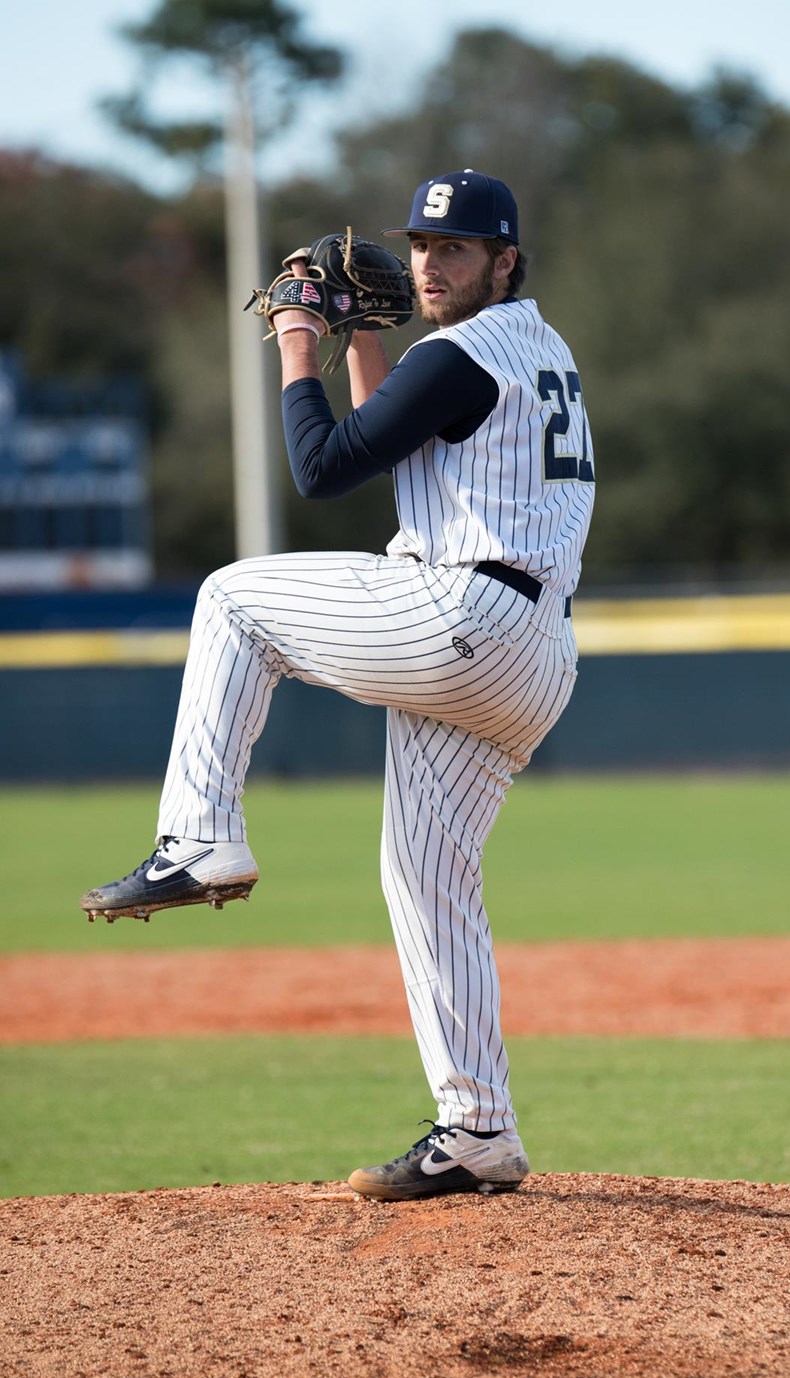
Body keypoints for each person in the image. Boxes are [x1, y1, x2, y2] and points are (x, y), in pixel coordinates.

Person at [81, 170, 596, 1201]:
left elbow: (322, 469)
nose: (429, 263)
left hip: (469, 618)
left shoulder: (459, 355)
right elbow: (392, 447)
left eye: (455, 249)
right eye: (420, 246)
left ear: (505, 260)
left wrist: (295, 340)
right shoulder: (533, 349)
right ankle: (478, 1128)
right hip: (534, 655)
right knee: (425, 876)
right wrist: (364, 336)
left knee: (232, 600)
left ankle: (198, 836)